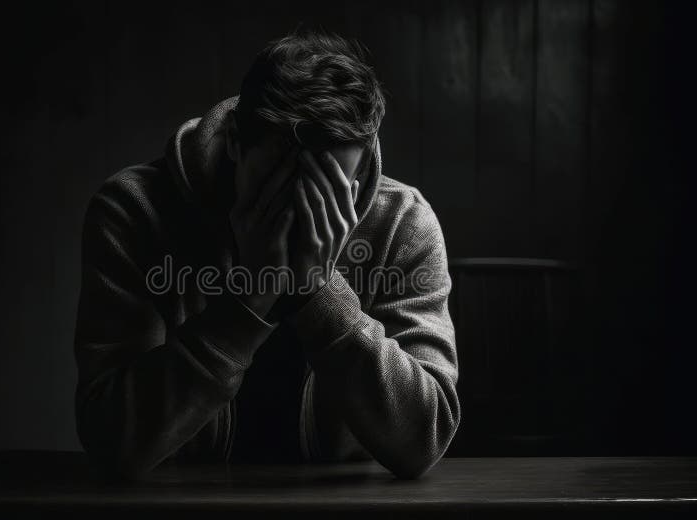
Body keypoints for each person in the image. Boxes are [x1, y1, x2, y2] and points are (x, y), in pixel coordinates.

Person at [73, 29, 460, 481]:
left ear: (361, 167)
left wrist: (320, 291)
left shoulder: (403, 223)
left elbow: (424, 439)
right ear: (234, 142)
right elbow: (110, 440)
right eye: (277, 187)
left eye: (327, 192)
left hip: (347, 507)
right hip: (178, 503)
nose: (299, 214)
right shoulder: (134, 211)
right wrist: (247, 301)